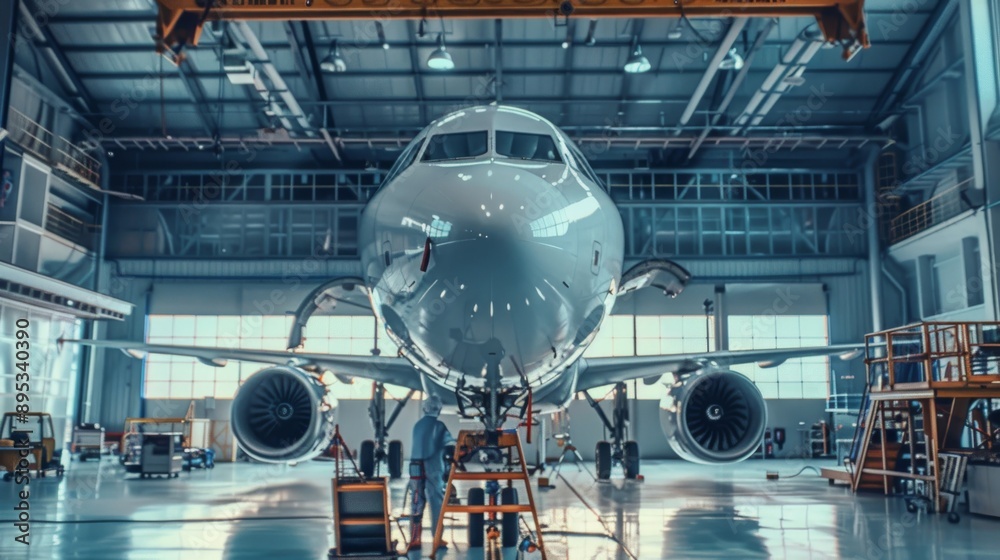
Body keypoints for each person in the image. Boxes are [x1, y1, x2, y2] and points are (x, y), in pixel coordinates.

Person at [407, 395, 455, 551]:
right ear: (439, 410)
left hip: (414, 466)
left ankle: (414, 539)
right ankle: (437, 538)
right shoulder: (439, 426)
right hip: (432, 465)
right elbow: (450, 446)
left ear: (424, 409)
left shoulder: (417, 425)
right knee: (436, 502)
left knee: (416, 502)